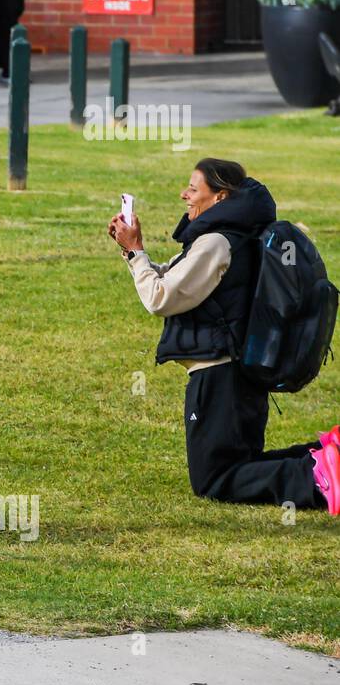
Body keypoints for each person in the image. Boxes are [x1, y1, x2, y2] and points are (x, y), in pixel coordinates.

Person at [108, 158, 338, 515]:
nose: (184, 194)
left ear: (220, 197)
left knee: (215, 479)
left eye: (194, 188)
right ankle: (324, 457)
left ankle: (316, 475)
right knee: (243, 462)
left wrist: (137, 251)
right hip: (241, 371)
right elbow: (168, 276)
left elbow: (160, 298)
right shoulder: (237, 233)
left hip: (218, 374)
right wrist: (132, 251)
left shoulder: (216, 242)